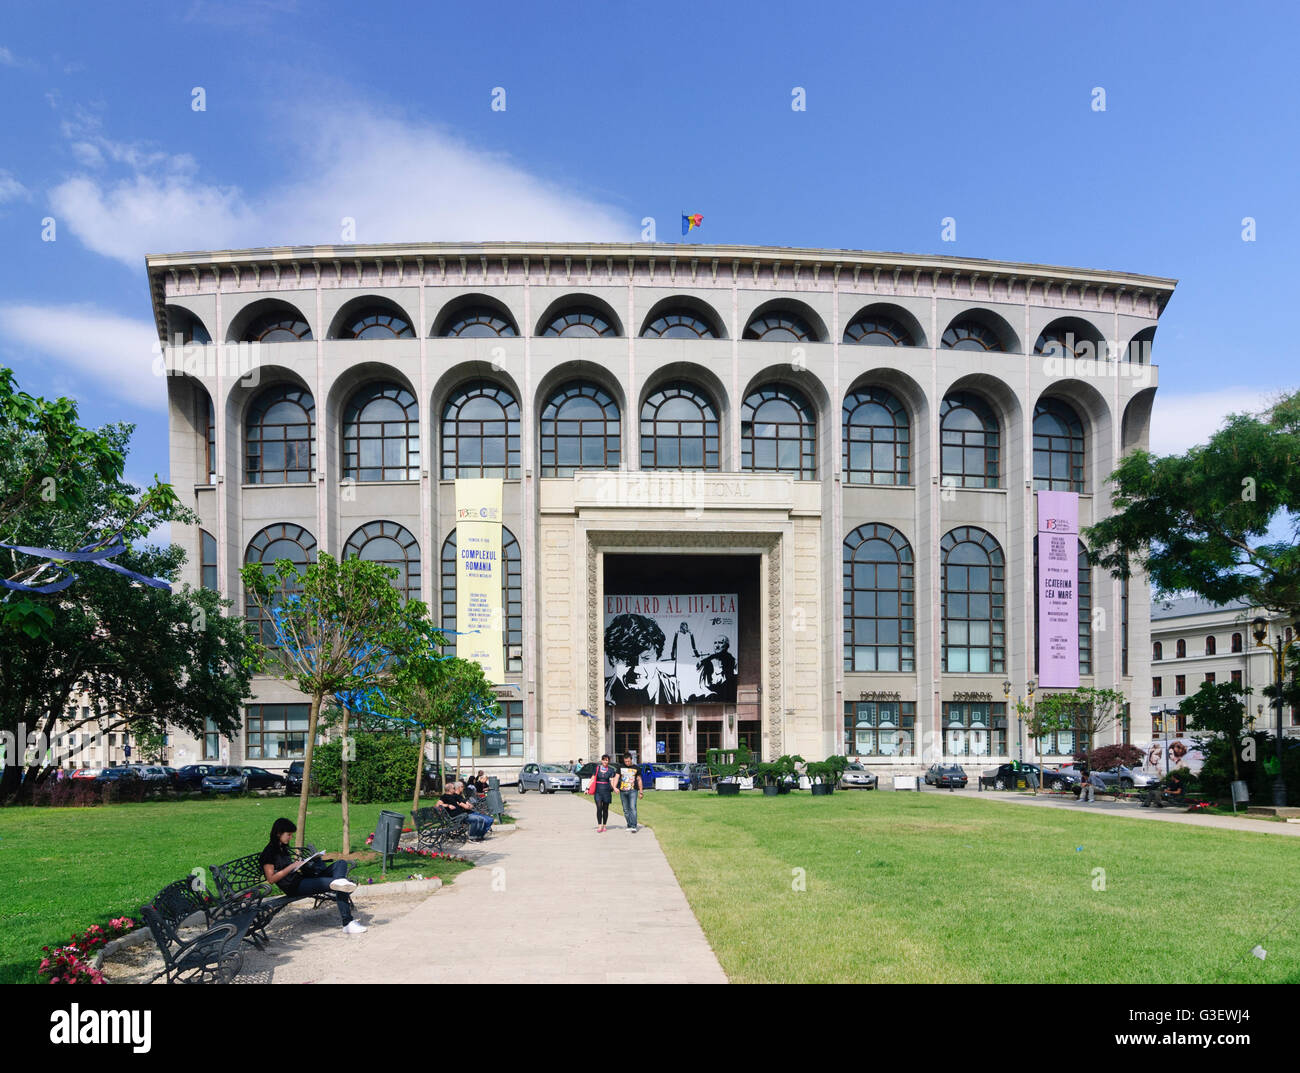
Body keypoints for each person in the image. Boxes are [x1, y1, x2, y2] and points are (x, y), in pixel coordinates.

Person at [258, 817, 365, 935]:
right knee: (339, 884)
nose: (291, 837)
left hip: (302, 879)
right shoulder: (269, 852)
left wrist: (303, 864)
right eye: (288, 834)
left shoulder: (282, 848)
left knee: (341, 863)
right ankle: (347, 923)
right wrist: (292, 866)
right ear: (278, 833)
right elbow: (271, 879)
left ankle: (340, 882)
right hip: (294, 886)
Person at [604, 614, 682, 705]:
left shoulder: (676, 689)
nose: (637, 670)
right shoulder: (599, 690)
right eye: (629, 660)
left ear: (657, 657)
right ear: (613, 658)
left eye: (646, 659)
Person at [616, 753, 644, 832]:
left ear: (631, 759)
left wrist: (641, 792)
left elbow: (639, 780)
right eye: (625, 761)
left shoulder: (636, 768)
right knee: (625, 810)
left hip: (633, 791)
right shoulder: (620, 767)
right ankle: (629, 824)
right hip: (623, 791)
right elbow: (617, 777)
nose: (627, 763)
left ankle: (634, 826)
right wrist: (614, 787)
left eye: (628, 761)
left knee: (632, 808)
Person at [591, 754, 617, 832]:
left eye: (607, 760)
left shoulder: (611, 770)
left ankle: (604, 825)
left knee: (605, 809)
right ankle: (599, 826)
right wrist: (587, 788)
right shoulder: (597, 768)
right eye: (604, 760)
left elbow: (612, 781)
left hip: (607, 791)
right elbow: (592, 779)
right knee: (599, 808)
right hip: (598, 791)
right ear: (602, 760)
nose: (606, 761)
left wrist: (614, 788)